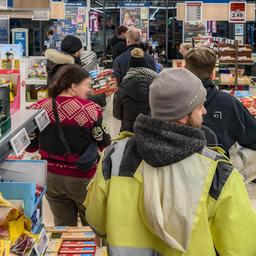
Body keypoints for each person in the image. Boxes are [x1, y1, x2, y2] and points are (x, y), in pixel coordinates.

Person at [85, 68, 256, 255]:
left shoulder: (114, 158)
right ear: (183, 116)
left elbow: (97, 221)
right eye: (199, 106)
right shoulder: (217, 172)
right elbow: (241, 247)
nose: (205, 111)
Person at [31, 65, 111, 226]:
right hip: (82, 177)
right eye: (87, 85)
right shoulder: (90, 110)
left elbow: (31, 146)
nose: (89, 89)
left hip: (51, 176)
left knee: (63, 227)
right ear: (73, 86)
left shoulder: (38, 108)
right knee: (93, 226)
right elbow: (103, 142)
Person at [185, 47, 256, 154]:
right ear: (213, 74)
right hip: (219, 166)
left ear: (185, 69)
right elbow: (252, 137)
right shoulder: (230, 103)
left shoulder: (171, 101)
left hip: (178, 163)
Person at [45, 35, 107, 107]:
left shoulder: (55, 66)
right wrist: (103, 96)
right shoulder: (72, 70)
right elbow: (80, 97)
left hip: (56, 110)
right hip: (71, 111)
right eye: (81, 50)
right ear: (76, 53)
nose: (81, 53)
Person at [113, 48, 158, 132]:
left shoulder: (123, 87)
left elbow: (117, 114)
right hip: (151, 131)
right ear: (145, 65)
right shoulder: (155, 85)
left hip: (128, 131)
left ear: (130, 66)